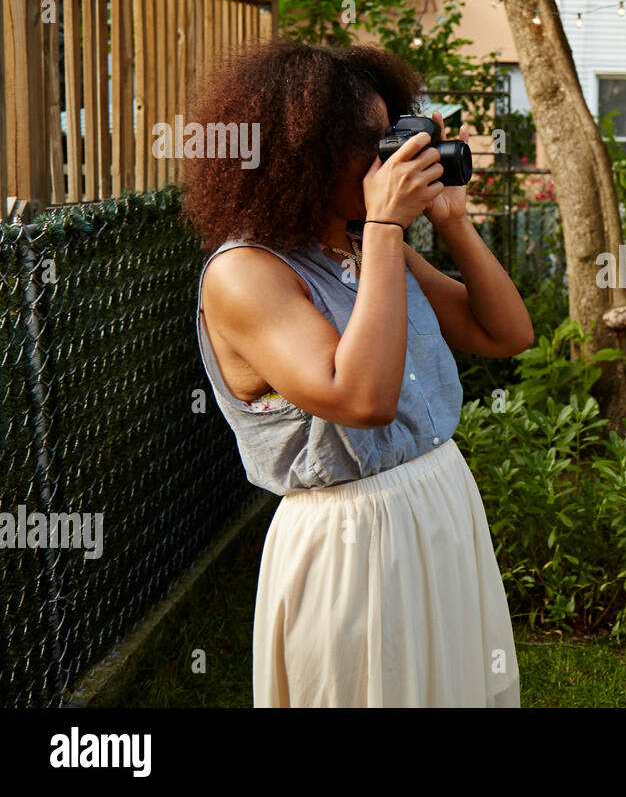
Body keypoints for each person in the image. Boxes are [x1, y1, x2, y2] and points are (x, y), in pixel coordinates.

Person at [182, 42, 533, 707]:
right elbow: (362, 398)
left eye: (393, 135)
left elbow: (505, 333)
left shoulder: (359, 245)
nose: (391, 159)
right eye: (372, 142)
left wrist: (453, 225)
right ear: (302, 152)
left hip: (440, 507)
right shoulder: (245, 273)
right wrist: (382, 228)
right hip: (353, 537)